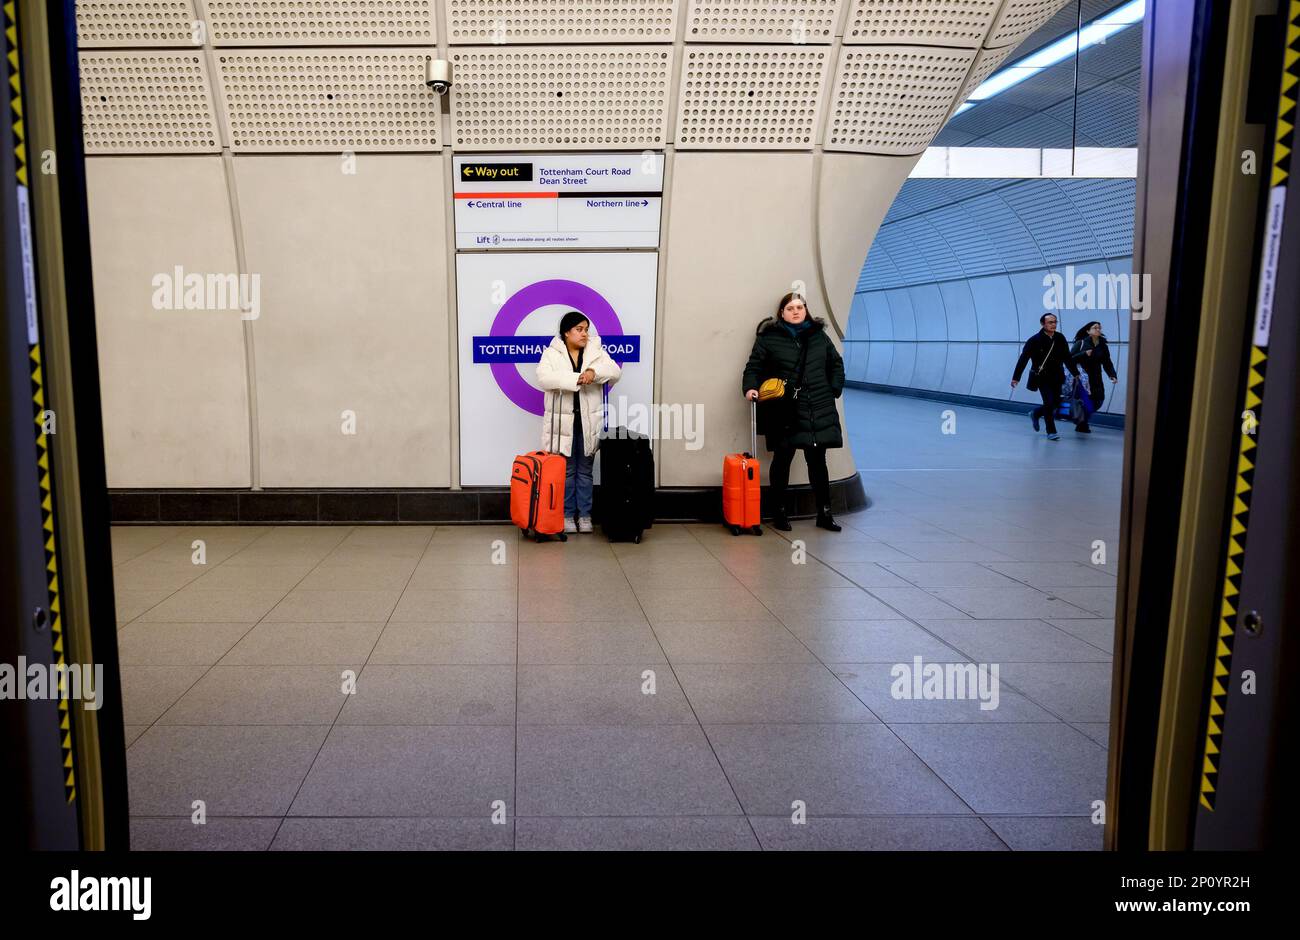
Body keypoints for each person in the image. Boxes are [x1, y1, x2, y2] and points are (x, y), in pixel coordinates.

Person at [742, 292, 846, 532]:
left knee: (817, 462)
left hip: (817, 407)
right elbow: (753, 367)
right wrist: (750, 388)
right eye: (790, 308)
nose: (796, 311)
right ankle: (779, 512)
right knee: (783, 459)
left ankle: (825, 513)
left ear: (806, 310)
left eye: (800, 307)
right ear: (782, 313)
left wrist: (834, 389)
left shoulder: (819, 337)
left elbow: (836, 364)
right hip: (785, 409)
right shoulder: (768, 338)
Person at [536, 311, 621, 533]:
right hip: (562, 424)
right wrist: (576, 378)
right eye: (579, 329)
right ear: (566, 332)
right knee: (566, 471)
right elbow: (544, 378)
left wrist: (594, 371)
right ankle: (565, 516)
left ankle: (584, 516)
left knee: (585, 471)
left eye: (586, 329)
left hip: (587, 421)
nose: (584, 334)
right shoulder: (551, 353)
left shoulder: (595, 351)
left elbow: (615, 371)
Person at [1011, 313, 1080, 441]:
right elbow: (1023, 359)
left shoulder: (1060, 338)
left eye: (1055, 322)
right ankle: (1051, 431)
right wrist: (1016, 377)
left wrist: (1075, 373)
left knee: (1056, 403)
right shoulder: (1034, 340)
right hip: (1042, 377)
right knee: (1048, 403)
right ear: (1043, 324)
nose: (1053, 325)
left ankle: (1036, 413)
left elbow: (1067, 357)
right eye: (1050, 322)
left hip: (1057, 376)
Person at [1069, 320, 1118, 433]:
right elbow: (1070, 359)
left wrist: (1112, 375)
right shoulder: (1080, 343)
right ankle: (1082, 424)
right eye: (1095, 328)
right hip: (1082, 378)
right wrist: (1084, 354)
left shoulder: (1102, 345)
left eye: (1099, 328)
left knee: (1099, 400)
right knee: (1086, 401)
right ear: (1088, 331)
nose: (1098, 330)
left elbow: (1107, 362)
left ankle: (1082, 421)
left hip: (1096, 377)